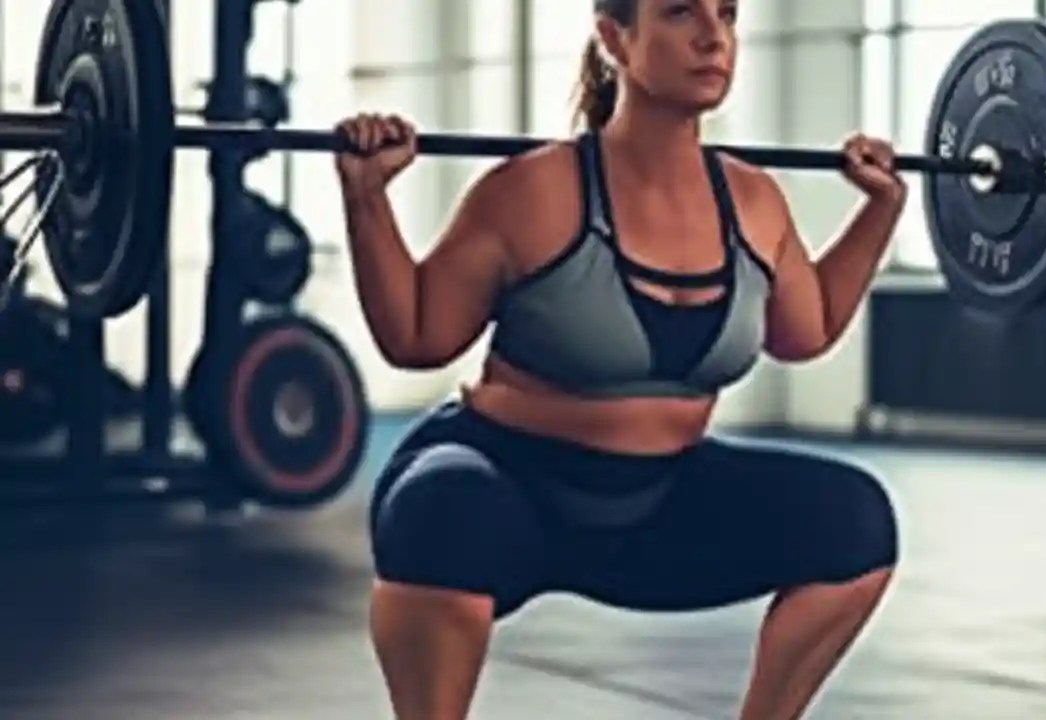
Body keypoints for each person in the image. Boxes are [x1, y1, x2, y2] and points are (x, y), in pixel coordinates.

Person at [336, 1, 905, 718]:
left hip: (660, 507)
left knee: (854, 523)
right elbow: (417, 337)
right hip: (509, 491)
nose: (713, 37)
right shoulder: (533, 191)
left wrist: (881, 210)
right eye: (680, 13)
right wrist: (366, 201)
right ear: (615, 39)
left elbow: (807, 329)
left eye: (727, 14)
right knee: (440, 509)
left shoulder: (753, 200)